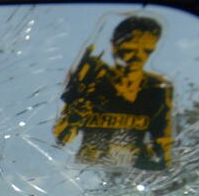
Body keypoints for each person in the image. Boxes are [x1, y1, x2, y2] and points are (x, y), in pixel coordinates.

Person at [53, 16, 172, 170]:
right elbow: (62, 139)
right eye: (130, 48)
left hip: (133, 175)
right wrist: (73, 118)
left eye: (147, 50)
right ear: (114, 46)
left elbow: (163, 142)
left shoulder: (158, 89)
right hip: (88, 173)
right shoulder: (91, 80)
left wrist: (154, 168)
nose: (139, 56)